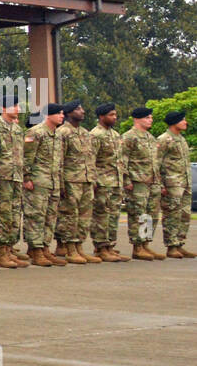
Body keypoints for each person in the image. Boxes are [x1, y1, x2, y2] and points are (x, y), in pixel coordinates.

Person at [21, 104, 66, 267]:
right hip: (38, 181)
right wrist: (27, 178)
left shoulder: (58, 135)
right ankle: (36, 250)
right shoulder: (36, 132)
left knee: (50, 217)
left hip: (52, 182)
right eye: (59, 114)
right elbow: (26, 157)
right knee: (36, 217)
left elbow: (58, 161)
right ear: (49, 115)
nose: (62, 116)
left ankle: (45, 248)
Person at [54, 101, 98, 263]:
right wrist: (61, 183)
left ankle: (79, 246)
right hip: (71, 180)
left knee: (84, 216)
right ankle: (70, 248)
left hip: (85, 180)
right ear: (69, 113)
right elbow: (59, 160)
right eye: (78, 109)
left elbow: (90, 157)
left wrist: (92, 178)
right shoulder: (63, 132)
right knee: (69, 215)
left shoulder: (85, 133)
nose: (83, 111)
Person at [0, 92, 28, 267]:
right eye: (14, 106)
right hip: (2, 176)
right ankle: (1, 251)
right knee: (2, 214)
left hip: (16, 177)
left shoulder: (17, 129)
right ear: (4, 108)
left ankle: (10, 248)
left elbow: (21, 155)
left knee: (13, 214)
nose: (18, 109)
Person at [88, 103, 128, 262]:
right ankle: (100, 247)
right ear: (101, 116)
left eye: (115, 115)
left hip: (115, 181)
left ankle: (110, 246)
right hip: (102, 181)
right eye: (111, 115)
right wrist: (94, 181)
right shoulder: (95, 135)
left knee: (113, 215)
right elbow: (90, 160)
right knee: (101, 215)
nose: (115, 118)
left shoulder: (115, 134)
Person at [121, 106, 162, 260]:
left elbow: (154, 162)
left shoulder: (150, 138)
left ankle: (146, 244)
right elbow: (123, 160)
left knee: (151, 215)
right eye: (147, 117)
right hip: (137, 181)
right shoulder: (129, 137)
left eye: (150, 117)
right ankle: (137, 247)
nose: (150, 120)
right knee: (138, 214)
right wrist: (126, 180)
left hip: (152, 182)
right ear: (137, 119)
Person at [157, 110, 194, 258]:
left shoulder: (181, 139)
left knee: (184, 215)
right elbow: (156, 163)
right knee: (172, 214)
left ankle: (179, 243)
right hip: (172, 184)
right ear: (174, 122)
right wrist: (160, 185)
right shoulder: (164, 139)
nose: (186, 122)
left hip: (184, 183)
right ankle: (171, 246)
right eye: (182, 120)